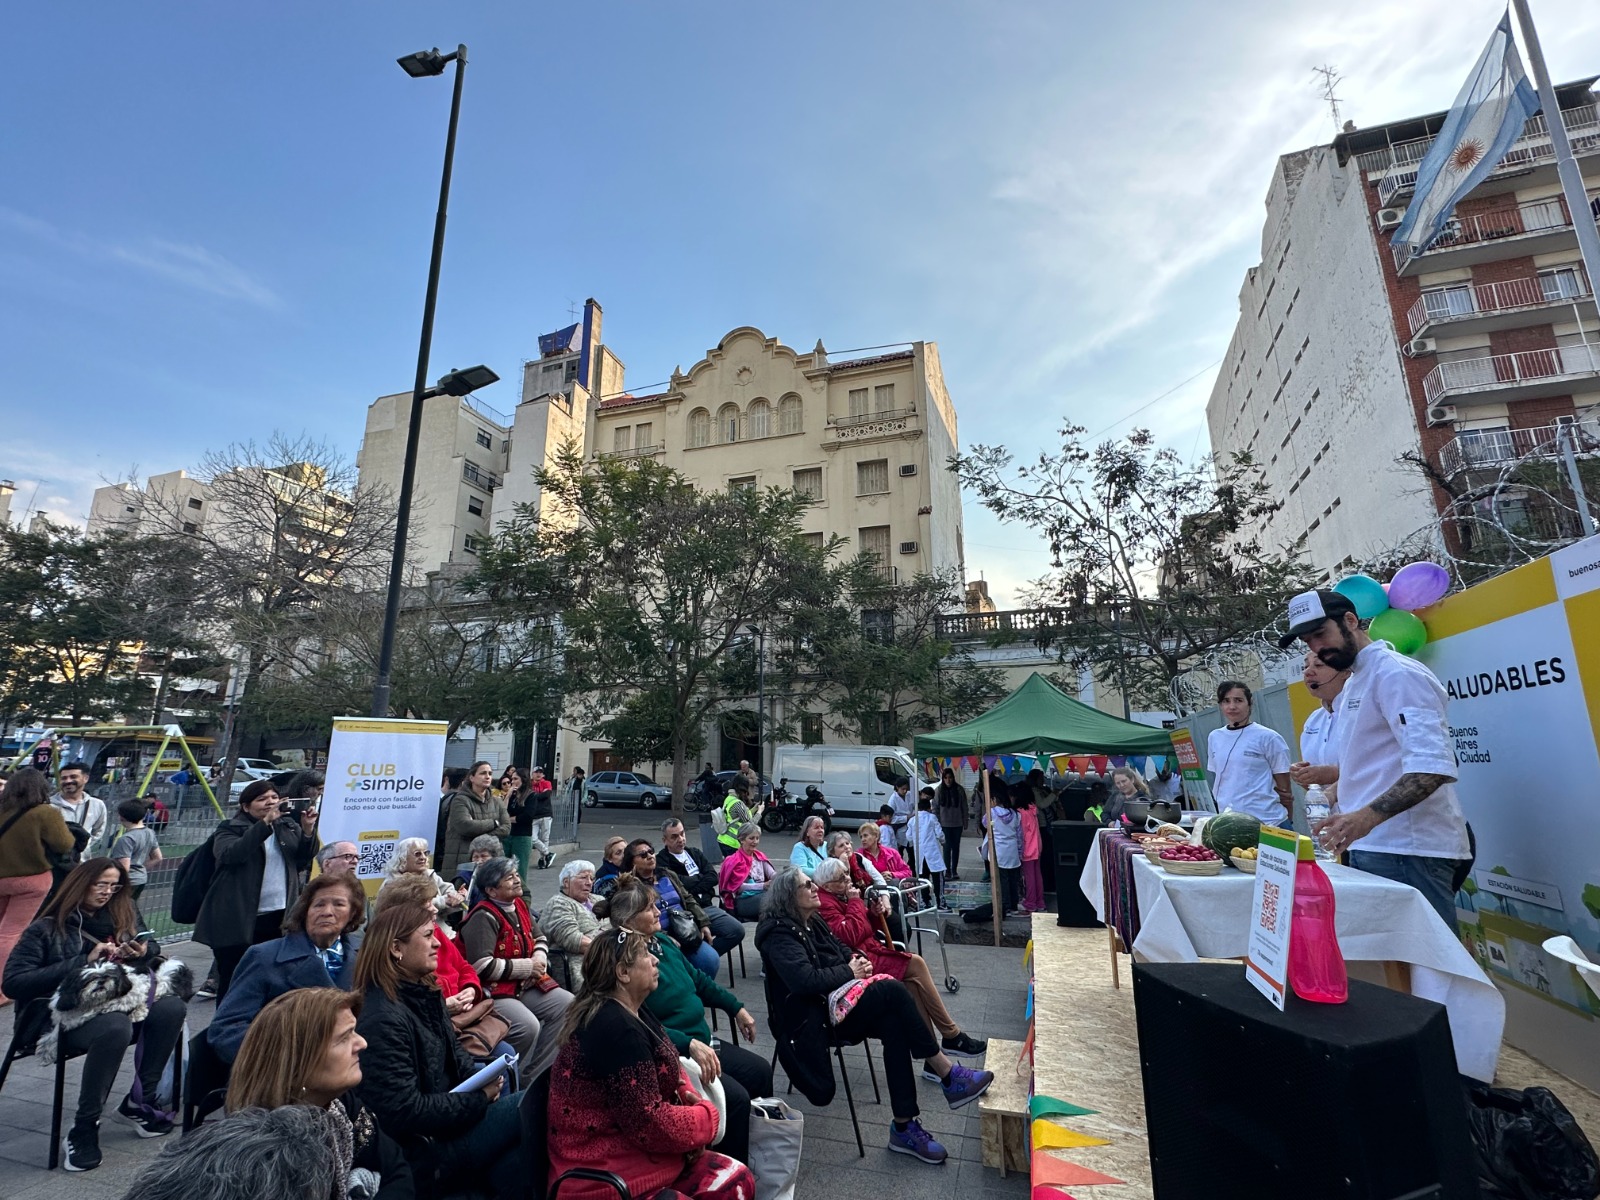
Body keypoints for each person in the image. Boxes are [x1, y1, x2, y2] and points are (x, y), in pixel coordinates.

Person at [754, 867, 992, 1165]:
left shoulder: (811, 920)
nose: (815, 888)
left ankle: (904, 1126)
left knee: (895, 1022)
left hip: (836, 1002)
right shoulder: (778, 934)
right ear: (790, 897)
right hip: (809, 1021)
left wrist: (857, 961)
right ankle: (946, 1072)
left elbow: (841, 947)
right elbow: (803, 981)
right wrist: (848, 971)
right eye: (807, 885)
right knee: (892, 990)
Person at [1282, 588, 1471, 929]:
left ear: (1351, 621)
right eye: (1308, 641)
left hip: (1410, 849)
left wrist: (1363, 819)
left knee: (1428, 972)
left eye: (1321, 634)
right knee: (1390, 971)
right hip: (1372, 846)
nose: (1316, 649)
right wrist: (1336, 793)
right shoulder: (1355, 683)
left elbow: (1431, 768)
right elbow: (1373, 764)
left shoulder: (1396, 674)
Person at [3, 858, 188, 1168]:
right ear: (80, 884)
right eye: (100, 884)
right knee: (114, 1027)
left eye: (114, 886)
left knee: (171, 1007)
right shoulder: (47, 927)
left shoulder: (123, 913)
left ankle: (139, 1100)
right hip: (57, 1019)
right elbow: (13, 982)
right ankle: (84, 1126)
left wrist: (144, 951)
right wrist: (82, 963)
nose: (107, 892)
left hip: (122, 1003)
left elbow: (150, 946)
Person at [548, 928, 755, 1200]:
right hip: (603, 1178)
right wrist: (706, 1117)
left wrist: (685, 1099)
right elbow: (650, 1124)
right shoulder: (616, 1029)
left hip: (629, 1153)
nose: (655, 959)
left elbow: (669, 1060)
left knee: (738, 1178)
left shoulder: (631, 1008)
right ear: (623, 973)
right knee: (734, 1185)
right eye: (645, 954)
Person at [355, 903, 524, 1200]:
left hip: (450, 1127)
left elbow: (457, 1060)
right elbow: (404, 1112)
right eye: (427, 936)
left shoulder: (424, 994)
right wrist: (478, 1099)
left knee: (522, 1158)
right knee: (533, 1103)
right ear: (396, 948)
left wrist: (482, 1078)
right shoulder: (382, 1017)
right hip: (426, 1148)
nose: (437, 943)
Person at [601, 878, 773, 1167]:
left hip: (702, 1041)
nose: (659, 912)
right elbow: (635, 1023)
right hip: (674, 1052)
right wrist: (687, 1043)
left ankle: (757, 1157)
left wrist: (737, 1009)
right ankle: (725, 1173)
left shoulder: (663, 942)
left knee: (760, 1072)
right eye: (650, 908)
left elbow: (699, 982)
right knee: (736, 1100)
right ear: (629, 919)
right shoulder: (627, 962)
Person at [226, 987, 414, 1199]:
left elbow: (397, 1170)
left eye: (355, 1031)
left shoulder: (340, 1105)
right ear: (298, 1064)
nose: (362, 1043)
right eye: (344, 1038)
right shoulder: (265, 1158)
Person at [811, 857, 986, 1057]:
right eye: (840, 879)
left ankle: (932, 1053)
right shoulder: (825, 903)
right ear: (827, 886)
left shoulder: (839, 895)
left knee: (913, 986)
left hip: (869, 951)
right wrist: (856, 903)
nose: (847, 880)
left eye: (846, 874)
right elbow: (850, 934)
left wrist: (873, 914)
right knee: (915, 963)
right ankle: (952, 1035)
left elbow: (862, 927)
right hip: (859, 962)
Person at [375, 875, 534, 1069]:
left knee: (508, 1051)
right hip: (443, 1025)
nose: (435, 908)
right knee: (500, 1057)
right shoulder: (401, 952)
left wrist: (471, 989)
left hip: (465, 1014)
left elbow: (464, 967)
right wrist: (444, 1004)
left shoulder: (434, 930)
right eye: (428, 903)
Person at [207, 872, 367, 1062]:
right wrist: (287, 1060)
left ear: (353, 914)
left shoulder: (364, 956)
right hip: (285, 1074)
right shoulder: (264, 957)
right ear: (305, 910)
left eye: (339, 904)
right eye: (319, 904)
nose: (327, 912)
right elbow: (226, 1030)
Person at [193, 778, 319, 1001]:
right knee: (235, 980)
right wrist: (264, 825)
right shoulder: (229, 829)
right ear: (246, 806)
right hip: (238, 920)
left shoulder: (287, 826)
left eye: (273, 797)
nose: (270, 802)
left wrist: (308, 830)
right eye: (262, 799)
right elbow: (231, 855)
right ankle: (226, 1030)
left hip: (278, 916)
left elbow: (301, 861)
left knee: (272, 979)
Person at [459, 857, 574, 1078]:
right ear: (492, 891)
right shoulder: (483, 916)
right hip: (493, 991)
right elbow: (481, 966)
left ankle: (536, 1076)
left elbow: (539, 938)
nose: (517, 880)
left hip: (525, 983)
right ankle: (500, 1077)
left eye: (516, 875)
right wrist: (528, 967)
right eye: (509, 878)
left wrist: (538, 961)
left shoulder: (519, 905)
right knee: (527, 1025)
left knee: (568, 1004)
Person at [119, 1104, 379, 1200]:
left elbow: (394, 1161)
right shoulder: (273, 1163)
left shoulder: (344, 1108)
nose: (362, 1043)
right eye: (343, 1037)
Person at [0, 768, 76, 1004]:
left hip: (1, 877)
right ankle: (4, 985)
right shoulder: (45, 813)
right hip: (32, 878)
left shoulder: (2, 810)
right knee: (11, 932)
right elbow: (65, 844)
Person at [620, 839, 723, 977]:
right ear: (632, 862)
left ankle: (699, 994)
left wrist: (703, 922)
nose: (650, 856)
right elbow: (636, 923)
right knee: (678, 970)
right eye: (643, 855)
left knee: (710, 960)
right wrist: (664, 938)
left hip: (685, 930)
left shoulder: (667, 874)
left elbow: (687, 898)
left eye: (651, 852)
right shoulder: (633, 888)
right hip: (657, 937)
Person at [1206, 681, 1292, 823]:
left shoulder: (1269, 737)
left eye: (1238, 700)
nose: (1232, 706)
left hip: (1268, 822)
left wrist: (1289, 819)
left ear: (1250, 703)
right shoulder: (1214, 737)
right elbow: (1224, 779)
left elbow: (1285, 789)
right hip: (1229, 822)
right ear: (1220, 705)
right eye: (1226, 701)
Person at [658, 818, 746, 953]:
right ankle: (700, 959)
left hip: (707, 906)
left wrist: (692, 885)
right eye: (674, 837)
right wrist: (700, 877)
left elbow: (712, 876)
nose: (680, 839)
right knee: (689, 939)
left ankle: (705, 956)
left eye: (682, 834)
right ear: (665, 840)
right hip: (685, 912)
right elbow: (678, 885)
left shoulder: (694, 853)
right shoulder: (662, 860)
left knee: (736, 930)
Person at [1291, 648, 1349, 796]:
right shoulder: (1313, 720)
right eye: (1305, 667)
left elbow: (1381, 768)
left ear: (1345, 671)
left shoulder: (1363, 711)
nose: (1308, 672)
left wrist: (1333, 774)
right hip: (1329, 815)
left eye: (1319, 665)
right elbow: (1315, 788)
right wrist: (1303, 776)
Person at [440, 761, 510, 876]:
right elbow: (465, 826)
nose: (487, 776)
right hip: (464, 860)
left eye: (490, 773)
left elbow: (506, 828)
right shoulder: (460, 800)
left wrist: (478, 831)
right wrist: (494, 823)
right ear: (472, 777)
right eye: (483, 773)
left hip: (493, 861)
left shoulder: (497, 801)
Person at [542, 859, 601, 991]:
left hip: (607, 960)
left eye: (592, 878)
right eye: (584, 878)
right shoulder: (559, 904)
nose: (589, 882)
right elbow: (573, 940)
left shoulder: (599, 900)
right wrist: (609, 948)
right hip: (581, 966)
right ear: (566, 882)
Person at [381, 838, 466, 920]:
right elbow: (414, 906)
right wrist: (444, 901)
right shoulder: (393, 882)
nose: (423, 857)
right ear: (403, 858)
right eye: (417, 854)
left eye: (425, 853)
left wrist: (458, 896)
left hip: (438, 925)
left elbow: (448, 890)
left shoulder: (430, 874)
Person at [717, 823, 777, 919]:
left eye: (757, 838)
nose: (755, 841)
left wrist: (783, 878)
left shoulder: (759, 856)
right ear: (741, 840)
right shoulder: (734, 860)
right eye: (751, 838)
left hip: (761, 895)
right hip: (742, 900)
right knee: (773, 901)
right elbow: (739, 888)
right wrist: (763, 886)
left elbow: (772, 874)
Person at [51, 760, 109, 859]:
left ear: (85, 778)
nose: (68, 781)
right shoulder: (49, 805)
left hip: (83, 863)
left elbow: (98, 832)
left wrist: (83, 846)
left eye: (73, 777)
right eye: (64, 778)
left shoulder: (97, 805)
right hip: (56, 862)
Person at [110, 799, 162, 901]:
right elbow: (158, 857)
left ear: (122, 817)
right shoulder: (150, 833)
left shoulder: (126, 839)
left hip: (128, 881)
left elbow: (124, 868)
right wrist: (141, 868)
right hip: (141, 878)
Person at [904, 789, 947, 908]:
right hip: (932, 852)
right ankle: (940, 902)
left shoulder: (913, 820)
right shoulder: (932, 818)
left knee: (923, 879)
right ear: (929, 808)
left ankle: (925, 901)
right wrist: (943, 842)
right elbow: (939, 834)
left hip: (920, 854)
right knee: (938, 878)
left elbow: (908, 836)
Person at [981, 796, 1022, 917]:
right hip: (1013, 850)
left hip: (1000, 851)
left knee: (1003, 880)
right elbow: (1020, 836)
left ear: (994, 800)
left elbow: (984, 824)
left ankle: (1005, 906)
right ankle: (1014, 906)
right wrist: (1020, 851)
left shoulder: (992, 813)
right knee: (1013, 880)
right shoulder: (1015, 814)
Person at [935, 767, 968, 879]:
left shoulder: (959, 790)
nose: (948, 780)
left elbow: (964, 806)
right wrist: (937, 824)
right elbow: (935, 808)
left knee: (956, 847)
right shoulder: (939, 790)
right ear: (943, 779)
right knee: (946, 848)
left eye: (950, 778)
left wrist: (965, 821)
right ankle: (947, 871)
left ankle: (954, 870)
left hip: (957, 823)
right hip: (944, 824)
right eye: (946, 778)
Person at [1016, 790, 1043, 914]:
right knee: (1037, 876)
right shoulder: (1033, 810)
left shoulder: (1021, 813)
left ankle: (1031, 903)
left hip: (1027, 849)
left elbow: (1021, 833)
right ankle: (1040, 902)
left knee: (1029, 877)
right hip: (1037, 847)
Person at [716, 776, 757, 855]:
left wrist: (755, 809)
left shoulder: (729, 798)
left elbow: (741, 817)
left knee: (730, 866)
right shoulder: (738, 803)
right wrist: (760, 812)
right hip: (733, 843)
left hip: (724, 839)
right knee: (738, 867)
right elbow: (750, 825)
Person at [887, 778, 915, 850]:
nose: (905, 791)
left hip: (911, 826)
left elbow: (915, 807)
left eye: (906, 789)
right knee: (899, 852)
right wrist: (906, 817)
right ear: (897, 787)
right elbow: (891, 818)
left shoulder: (909, 795)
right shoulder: (893, 799)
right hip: (899, 828)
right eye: (903, 789)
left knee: (912, 852)